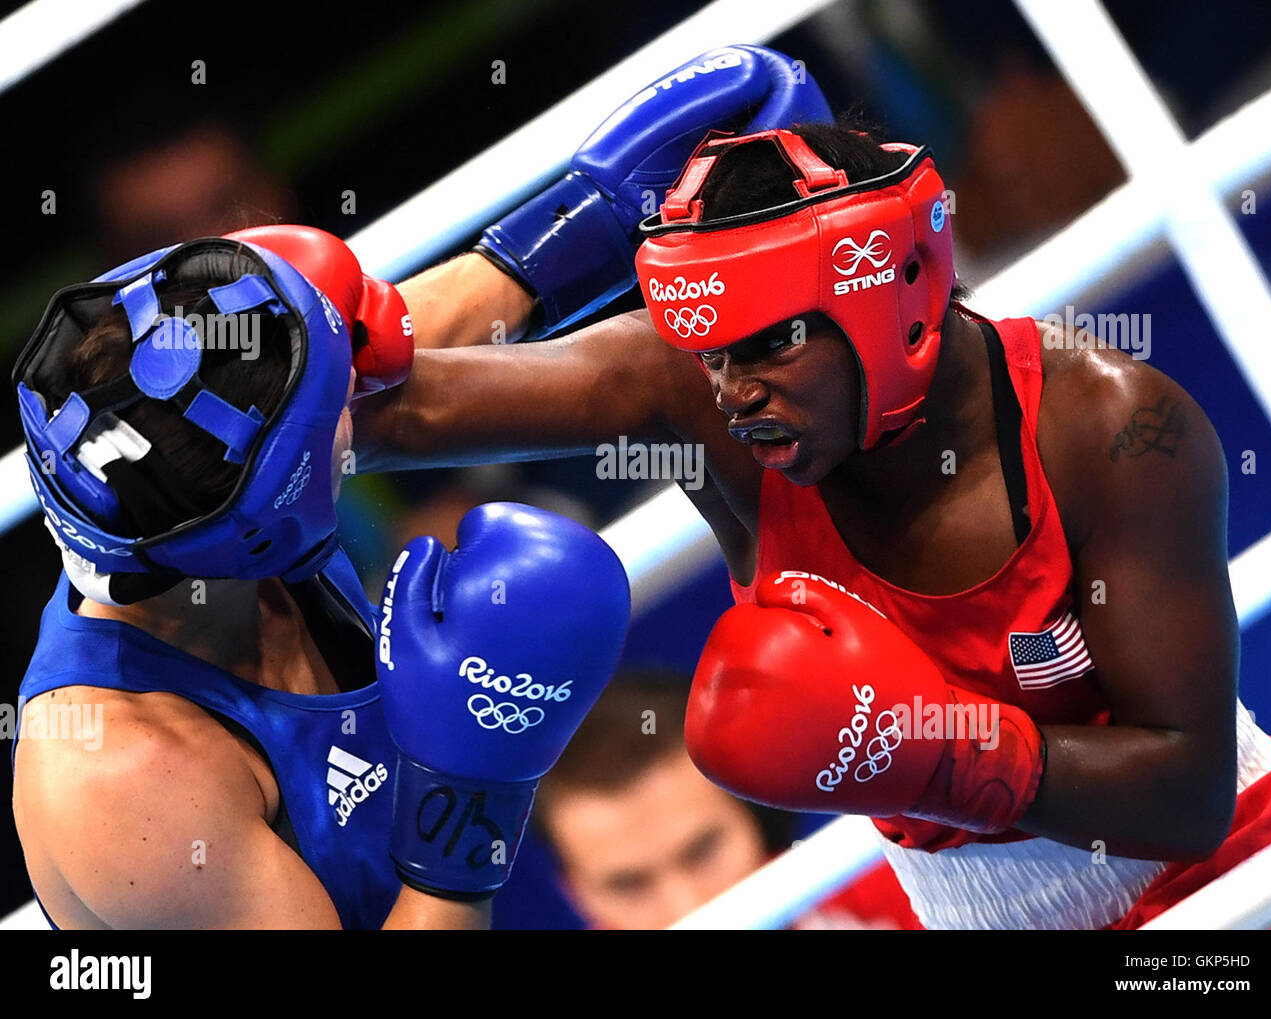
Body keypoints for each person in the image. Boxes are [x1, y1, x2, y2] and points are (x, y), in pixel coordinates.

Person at [353, 120, 1271, 930]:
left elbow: (1190, 793)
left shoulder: (1111, 427)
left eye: (768, 343)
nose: (734, 391)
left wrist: (933, 751)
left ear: (897, 293)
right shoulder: (694, 396)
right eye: (711, 352)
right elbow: (380, 411)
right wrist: (292, 338)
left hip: (1250, 879)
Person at [10, 44, 830, 929]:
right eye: (333, 417)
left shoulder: (184, 473)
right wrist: (473, 791)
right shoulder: (126, 781)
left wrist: (593, 216)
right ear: (268, 524)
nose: (362, 403)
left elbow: (392, 349)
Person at [532, 668, 920, 930]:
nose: (689, 908)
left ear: (754, 814)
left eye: (702, 851)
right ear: (577, 895)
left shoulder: (900, 885)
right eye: (628, 884)